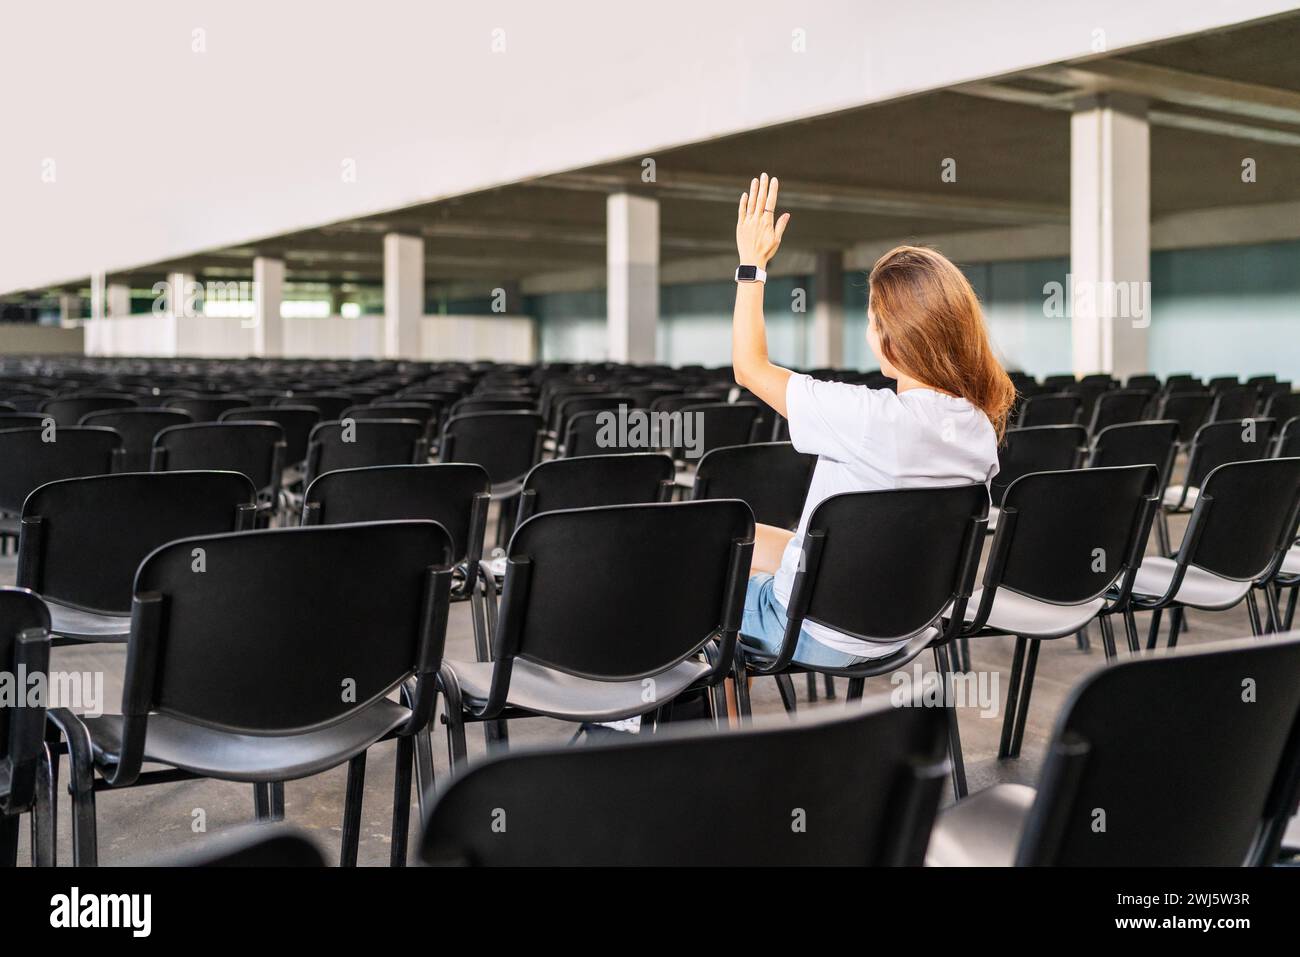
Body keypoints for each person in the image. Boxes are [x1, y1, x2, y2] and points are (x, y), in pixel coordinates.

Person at [732, 172, 1015, 667]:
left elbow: (749, 368)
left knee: (694, 578)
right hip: (906, 622)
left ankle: (684, 705)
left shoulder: (865, 417)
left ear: (892, 335)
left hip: (814, 629)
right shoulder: (977, 427)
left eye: (871, 319)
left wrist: (751, 266)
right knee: (740, 537)